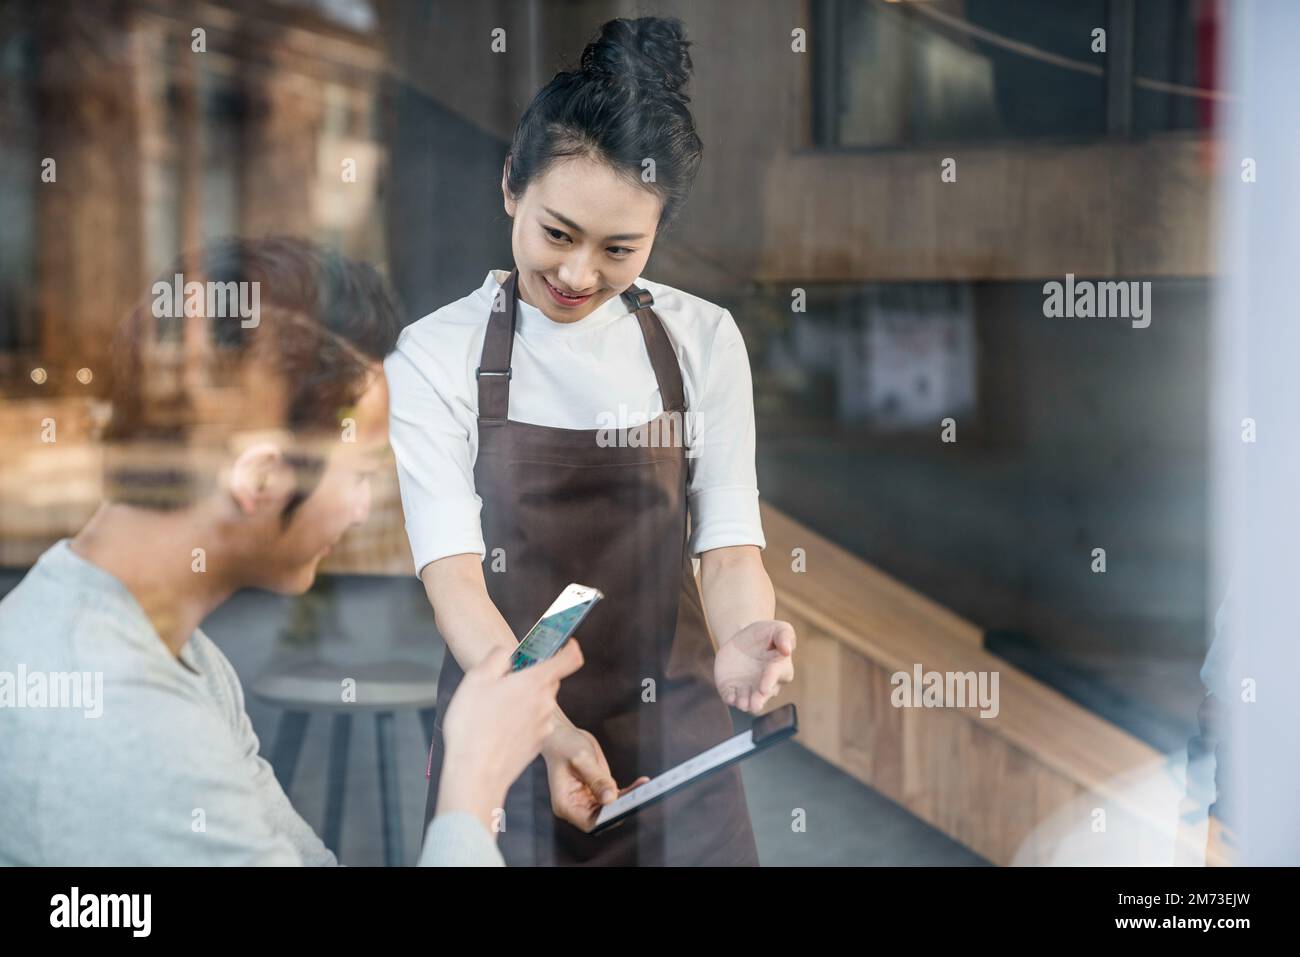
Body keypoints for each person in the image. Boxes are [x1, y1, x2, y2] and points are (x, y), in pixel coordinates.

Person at [0, 237, 578, 866]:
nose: (362, 510)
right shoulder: (126, 728)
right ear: (260, 478)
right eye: (359, 473)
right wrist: (472, 783)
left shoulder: (178, 653)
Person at [385, 16, 796, 866]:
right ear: (511, 187)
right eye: (557, 233)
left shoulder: (703, 341)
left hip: (679, 726)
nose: (578, 276)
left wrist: (744, 636)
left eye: (620, 249)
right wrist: (548, 728)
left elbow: (726, 552)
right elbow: (458, 583)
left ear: (657, 234)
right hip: (504, 732)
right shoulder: (437, 353)